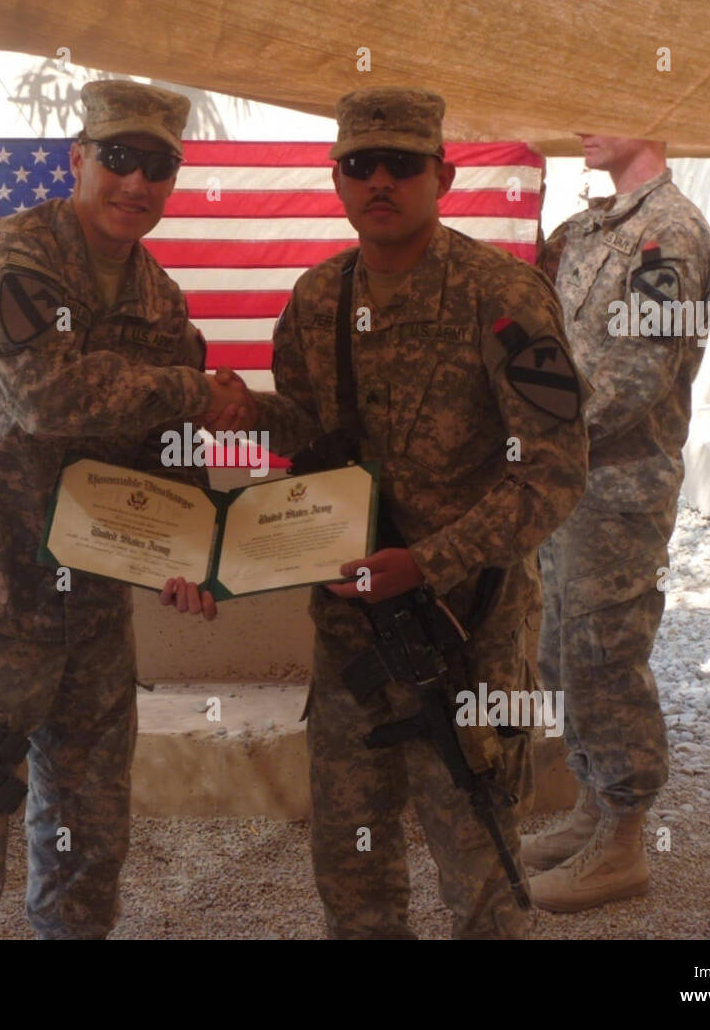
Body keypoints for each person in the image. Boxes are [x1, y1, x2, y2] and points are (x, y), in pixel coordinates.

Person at [169, 87, 590, 938]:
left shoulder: (502, 300)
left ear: (443, 172)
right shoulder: (318, 298)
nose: (381, 182)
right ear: (337, 179)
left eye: (402, 164)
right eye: (360, 165)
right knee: (351, 864)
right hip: (354, 637)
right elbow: (311, 435)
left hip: (468, 632)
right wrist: (246, 411)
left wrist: (428, 561)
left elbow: (553, 472)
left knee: (479, 864)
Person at [0, 79, 250, 939]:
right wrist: (190, 388)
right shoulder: (9, 254)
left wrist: (197, 546)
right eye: (119, 158)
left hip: (92, 599)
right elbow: (47, 397)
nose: (138, 183)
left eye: (159, 166)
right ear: (78, 159)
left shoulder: (159, 295)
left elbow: (169, 437)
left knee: (90, 833)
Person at [525, 135, 710, 912]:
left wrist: (537, 435)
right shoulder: (585, 230)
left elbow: (638, 374)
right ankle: (590, 807)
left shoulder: (667, 234)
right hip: (565, 480)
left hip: (619, 486)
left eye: (602, 102)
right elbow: (529, 312)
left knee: (606, 653)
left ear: (654, 116)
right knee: (562, 652)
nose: (582, 125)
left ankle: (624, 841)